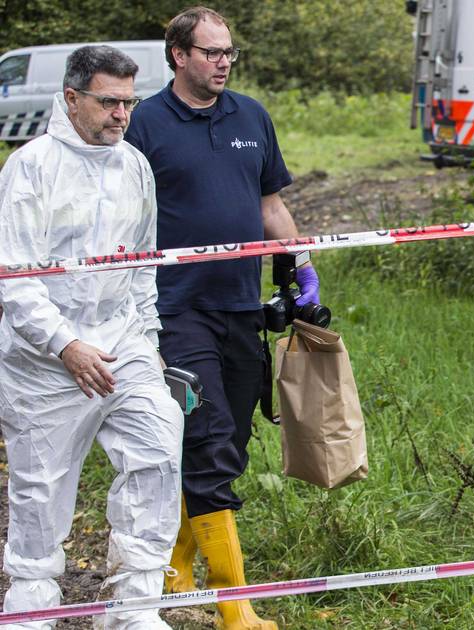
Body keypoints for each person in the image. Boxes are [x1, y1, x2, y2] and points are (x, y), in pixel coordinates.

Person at [125, 7, 317, 629]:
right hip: (174, 310)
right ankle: (235, 608)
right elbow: (119, 217)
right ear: (178, 55)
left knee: (228, 442)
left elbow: (270, 205)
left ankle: (175, 565)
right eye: (211, 52)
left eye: (229, 51)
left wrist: (300, 268)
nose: (223, 62)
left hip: (240, 305)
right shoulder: (144, 123)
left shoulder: (250, 116)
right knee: (207, 444)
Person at [0, 45, 183, 629]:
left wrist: (148, 340)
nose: (121, 114)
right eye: (108, 102)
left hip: (123, 341)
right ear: (72, 98)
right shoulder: (30, 168)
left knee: (158, 448)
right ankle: (31, 606)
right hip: (44, 360)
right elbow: (14, 276)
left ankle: (133, 606)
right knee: (41, 488)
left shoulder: (134, 166)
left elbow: (143, 264)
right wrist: (65, 344)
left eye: (129, 102)